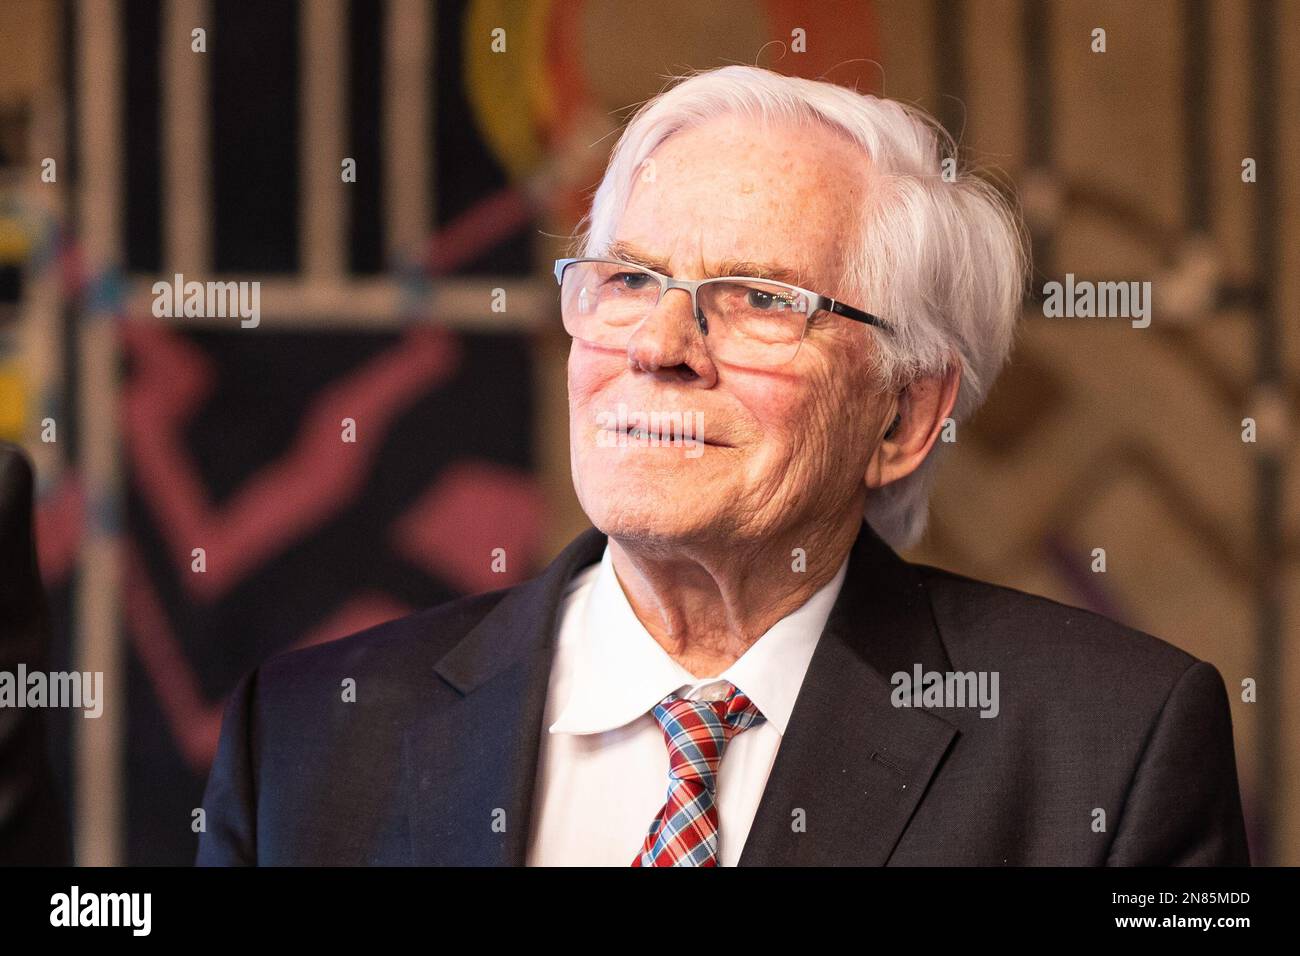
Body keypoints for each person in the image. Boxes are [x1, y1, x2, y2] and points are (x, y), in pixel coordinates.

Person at [197, 65, 1249, 866]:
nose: (659, 344)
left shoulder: (1110, 750)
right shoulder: (305, 740)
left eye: (758, 298)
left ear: (904, 412)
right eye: (627, 279)